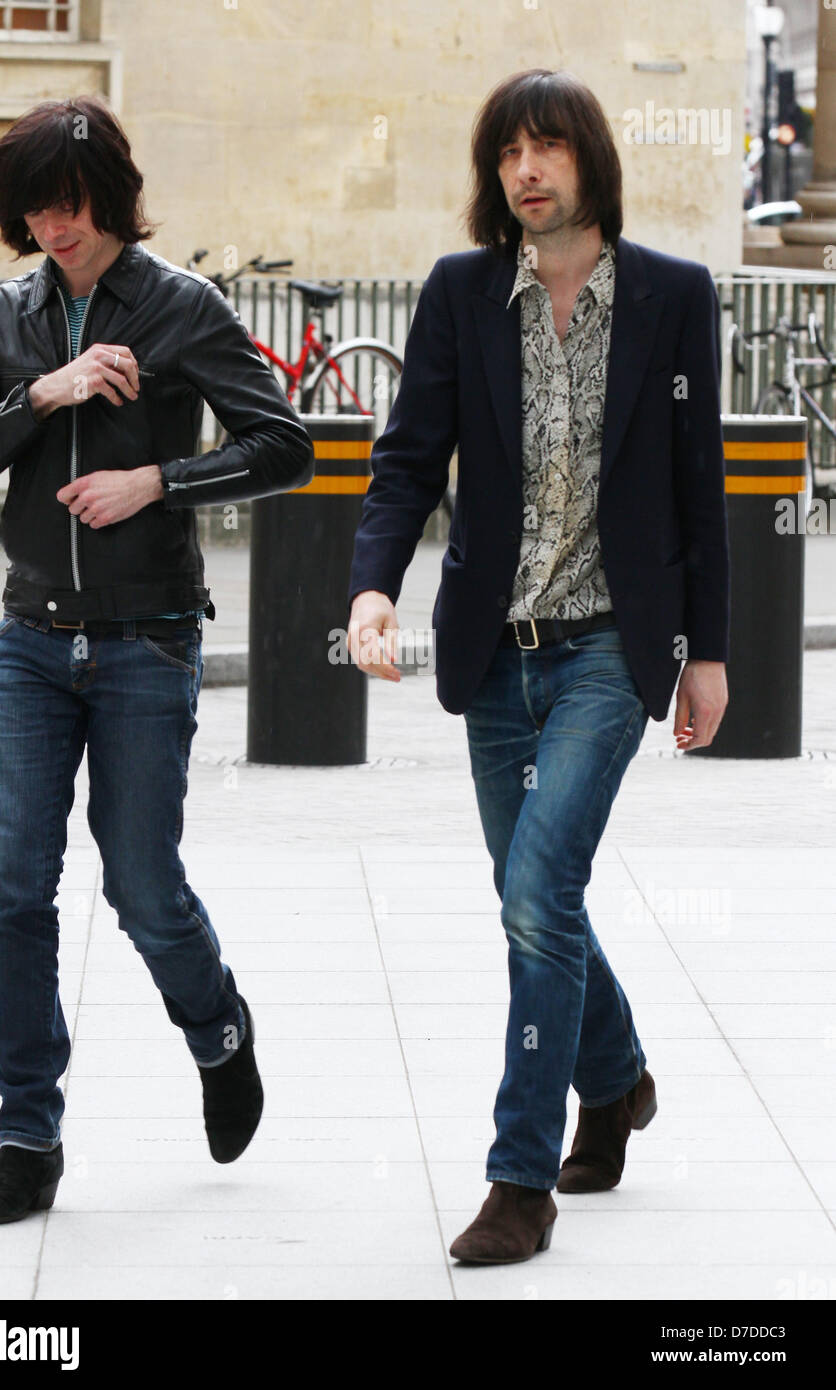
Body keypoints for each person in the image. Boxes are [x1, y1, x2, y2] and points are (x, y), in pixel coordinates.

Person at [347, 69, 729, 1265]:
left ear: (588, 162)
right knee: (537, 899)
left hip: (612, 650)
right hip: (493, 652)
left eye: (549, 146)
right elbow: (406, 459)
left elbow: (696, 486)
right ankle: (614, 1081)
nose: (527, 169)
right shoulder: (463, 294)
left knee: (534, 889)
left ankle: (520, 1180)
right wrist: (369, 586)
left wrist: (704, 654)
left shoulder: (672, 296)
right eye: (509, 150)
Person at [0, 95, 314, 1225]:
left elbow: (282, 444)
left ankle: (217, 1029)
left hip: (148, 636)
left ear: (112, 195)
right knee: (12, 894)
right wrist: (43, 392)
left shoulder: (182, 307)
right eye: (36, 209)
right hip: (30, 639)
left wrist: (159, 481)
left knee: (142, 884)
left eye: (72, 204)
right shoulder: (5, 319)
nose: (56, 227)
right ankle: (26, 1135)